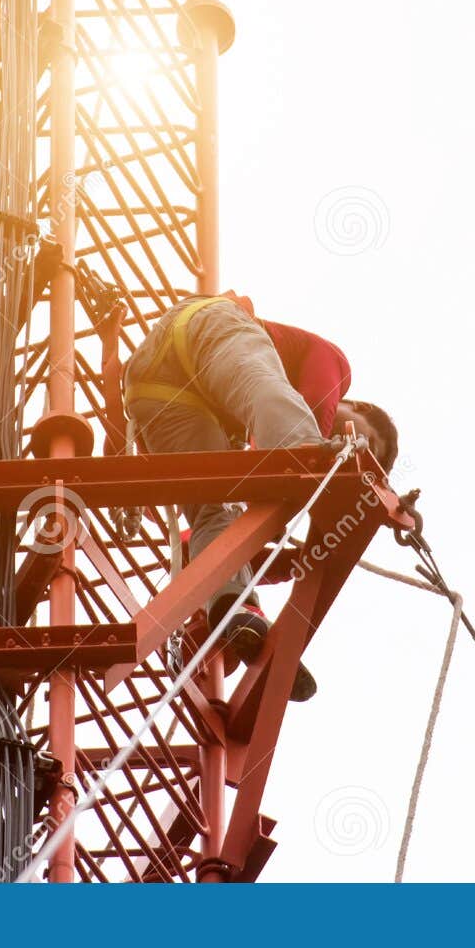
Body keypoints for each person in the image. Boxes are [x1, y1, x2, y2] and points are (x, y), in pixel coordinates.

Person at [122, 293, 399, 700]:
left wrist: (290, 559)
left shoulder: (256, 432)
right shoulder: (335, 364)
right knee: (270, 396)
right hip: (206, 330)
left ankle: (234, 606)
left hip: (153, 387)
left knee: (215, 511)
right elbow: (308, 404)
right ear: (355, 405)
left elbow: (199, 540)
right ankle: (301, 466)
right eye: (366, 440)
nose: (352, 448)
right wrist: (316, 474)